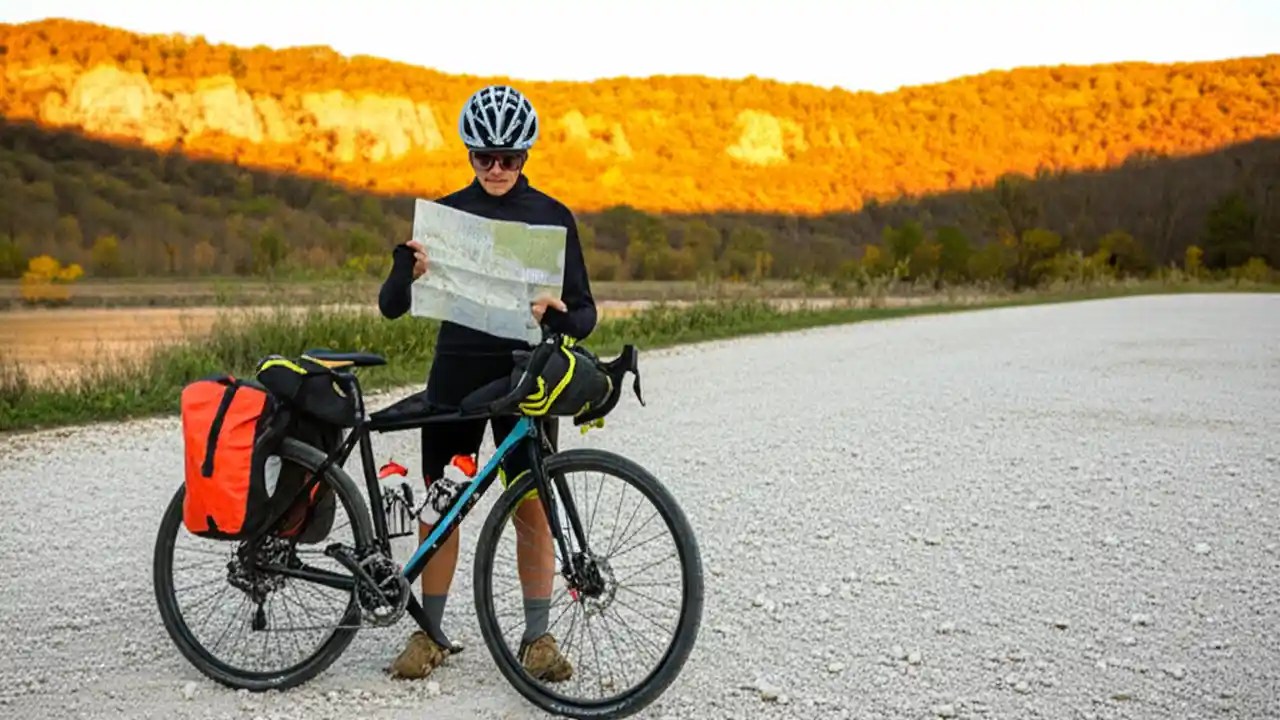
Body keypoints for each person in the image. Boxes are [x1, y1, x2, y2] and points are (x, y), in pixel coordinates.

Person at [375, 84, 597, 683]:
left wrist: (560, 312)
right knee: (440, 506)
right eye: (485, 157)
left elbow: (586, 315)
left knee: (533, 507)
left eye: (510, 158)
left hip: (526, 378)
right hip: (457, 372)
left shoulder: (552, 218)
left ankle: (537, 640)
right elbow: (391, 307)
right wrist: (406, 268)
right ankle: (430, 633)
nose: (497, 169)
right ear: (470, 153)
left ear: (526, 154)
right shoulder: (446, 217)